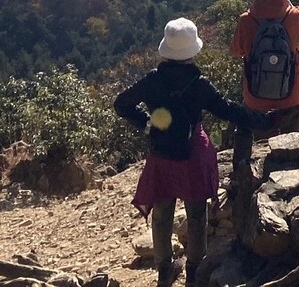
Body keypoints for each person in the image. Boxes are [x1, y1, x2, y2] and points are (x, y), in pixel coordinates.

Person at [115, 18, 269, 287]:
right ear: (192, 51)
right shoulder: (198, 83)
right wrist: (264, 120)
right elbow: (228, 110)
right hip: (193, 154)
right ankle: (196, 270)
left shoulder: (153, 80)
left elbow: (121, 104)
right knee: (197, 214)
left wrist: (148, 124)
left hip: (161, 152)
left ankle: (165, 268)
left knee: (162, 213)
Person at [230, 0, 299, 135]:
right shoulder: (294, 16)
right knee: (291, 144)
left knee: (259, 143)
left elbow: (236, 51)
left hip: (255, 98)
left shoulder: (246, 19)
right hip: (291, 95)